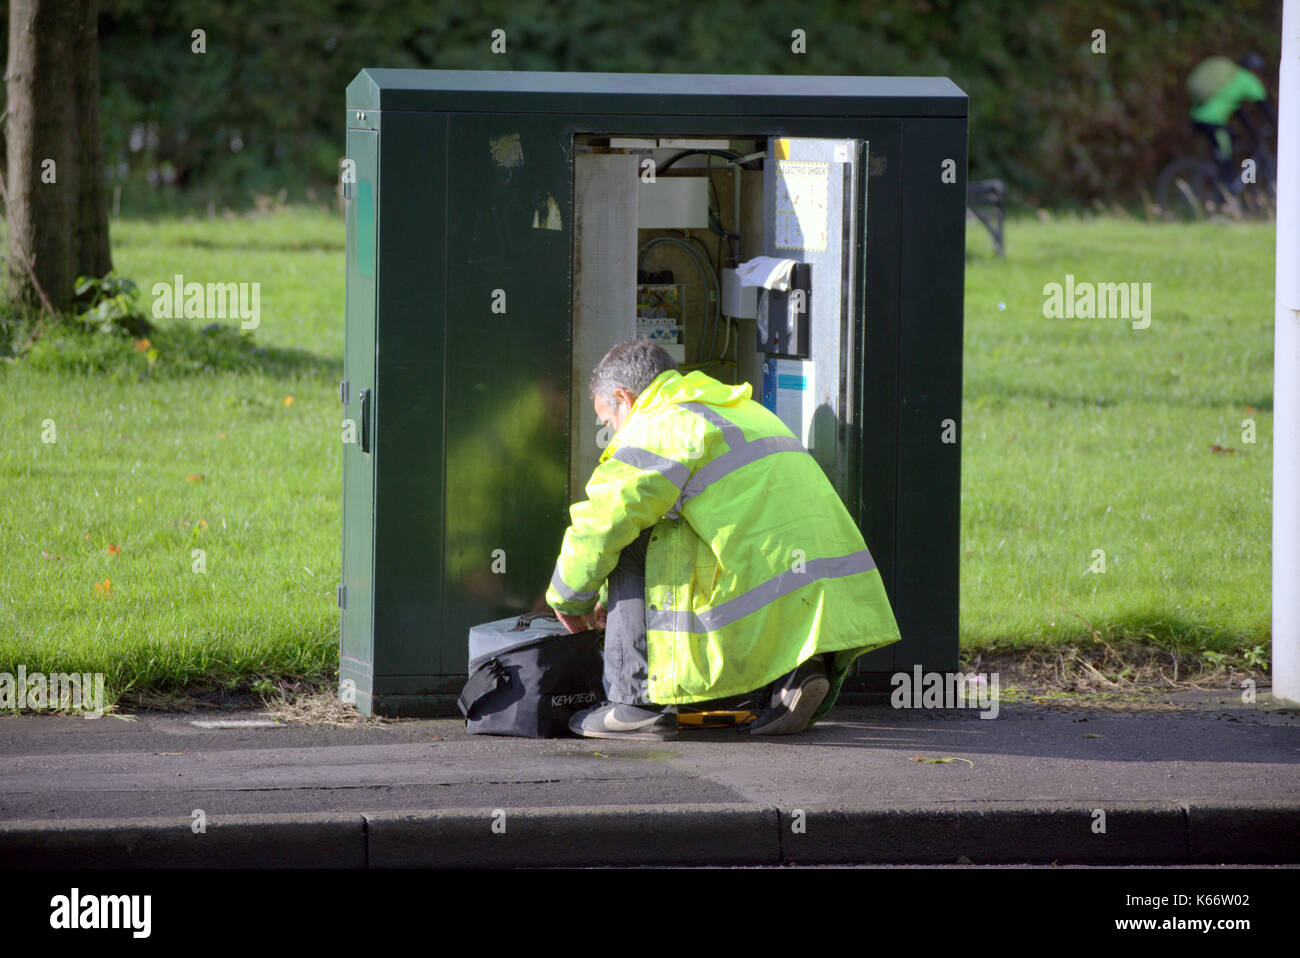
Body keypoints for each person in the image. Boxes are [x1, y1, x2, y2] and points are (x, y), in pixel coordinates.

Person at [546, 339, 901, 741]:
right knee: (680, 523)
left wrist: (568, 596)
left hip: (755, 577)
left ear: (625, 398)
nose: (610, 431)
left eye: (607, 420)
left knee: (635, 536)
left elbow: (605, 519)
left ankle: (634, 703)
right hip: (811, 583)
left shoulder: (662, 424)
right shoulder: (742, 409)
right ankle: (793, 677)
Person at [1186, 53, 1275, 192]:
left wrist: (1253, 131)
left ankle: (1221, 179)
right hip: (1209, 120)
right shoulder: (1247, 79)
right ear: (1253, 70)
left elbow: (1238, 112)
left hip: (1199, 117)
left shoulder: (1232, 79)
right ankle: (1224, 191)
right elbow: (1264, 106)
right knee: (1225, 149)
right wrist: (1278, 125)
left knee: (1231, 140)